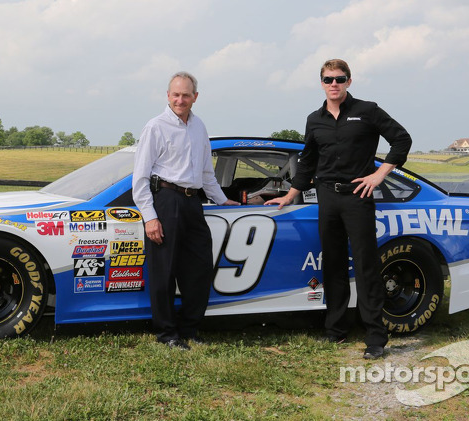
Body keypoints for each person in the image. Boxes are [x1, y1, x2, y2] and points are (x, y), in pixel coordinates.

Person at [265, 59, 411, 360]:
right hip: (326, 198)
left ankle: (375, 337)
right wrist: (291, 194)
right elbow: (307, 160)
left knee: (365, 266)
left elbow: (401, 140)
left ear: (349, 81)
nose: (334, 84)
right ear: (321, 82)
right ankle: (336, 330)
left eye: (340, 79)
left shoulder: (367, 111)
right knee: (331, 265)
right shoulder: (314, 119)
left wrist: (378, 175)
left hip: (357, 197)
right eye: (329, 79)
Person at [132, 72, 240, 350]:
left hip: (194, 204)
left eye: (186, 95)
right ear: (168, 96)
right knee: (164, 271)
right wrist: (151, 217)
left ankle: (190, 329)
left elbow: (206, 172)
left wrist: (221, 199)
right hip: (166, 200)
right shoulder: (155, 127)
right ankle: (167, 334)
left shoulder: (199, 126)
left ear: (195, 97)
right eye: (176, 94)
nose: (181, 100)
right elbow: (140, 178)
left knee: (199, 269)